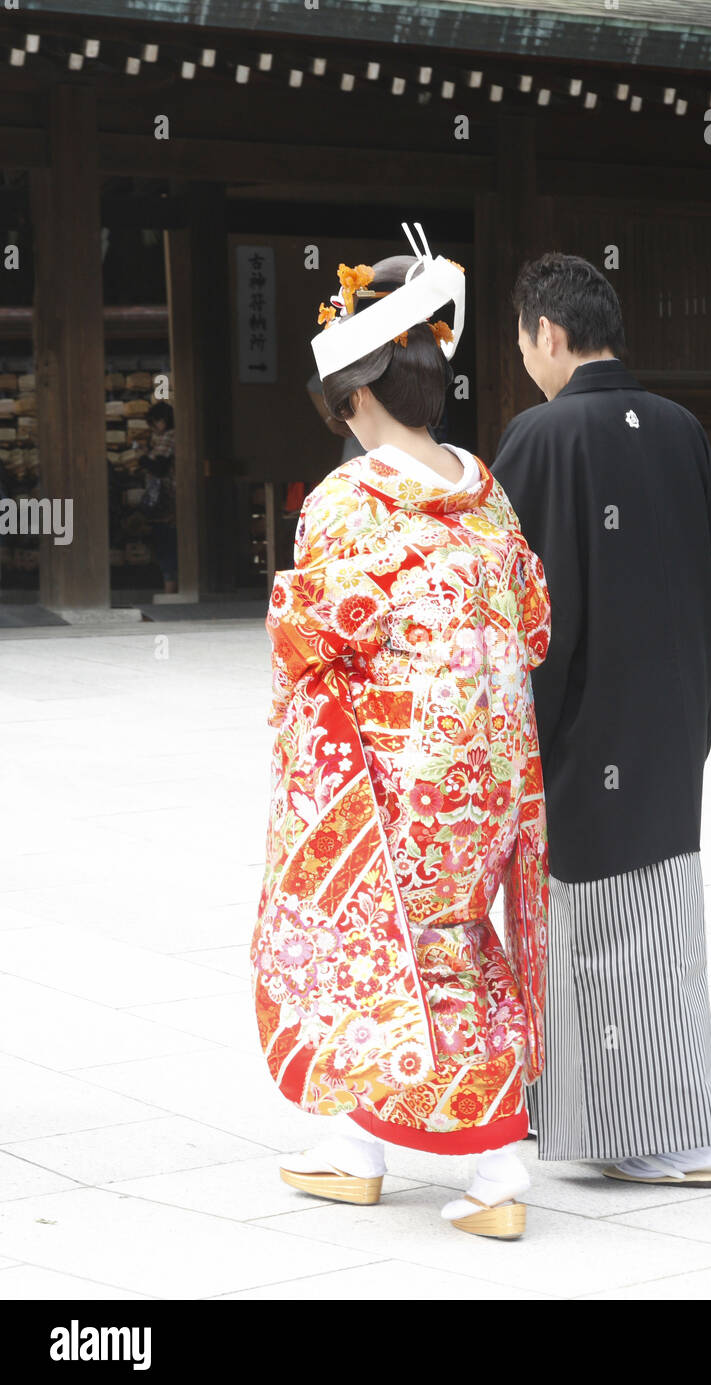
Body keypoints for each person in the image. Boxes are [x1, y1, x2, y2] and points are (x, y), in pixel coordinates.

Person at [250, 225, 551, 1239]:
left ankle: (423, 1158)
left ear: (362, 395)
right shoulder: (488, 494)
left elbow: (311, 635)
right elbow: (536, 623)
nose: (342, 419)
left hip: (393, 782)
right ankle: (449, 1155)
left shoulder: (350, 498)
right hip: (490, 776)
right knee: (460, 950)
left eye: (342, 403)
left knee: (365, 949)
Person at [491, 253, 711, 1188]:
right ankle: (615, 1112)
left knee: (598, 925)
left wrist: (520, 717)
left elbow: (511, 601)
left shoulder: (541, 436)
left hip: (577, 724)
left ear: (548, 335)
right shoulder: (677, 426)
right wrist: (690, 693)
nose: (524, 355)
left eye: (523, 339)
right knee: (649, 915)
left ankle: (674, 1131)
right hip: (664, 721)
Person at [137, 401, 177, 594]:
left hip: (165, 498)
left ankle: (170, 585)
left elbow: (159, 467)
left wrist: (143, 458)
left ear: (161, 421)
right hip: (169, 498)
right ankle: (170, 583)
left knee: (165, 541)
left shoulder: (168, 437)